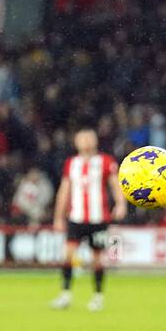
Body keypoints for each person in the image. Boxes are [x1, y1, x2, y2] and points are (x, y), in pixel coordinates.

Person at [51, 127, 126, 311]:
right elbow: (64, 190)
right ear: (76, 142)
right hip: (76, 218)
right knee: (67, 255)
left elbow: (115, 184)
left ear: (95, 141)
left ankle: (98, 297)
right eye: (81, 138)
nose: (85, 141)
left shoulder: (106, 162)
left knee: (97, 259)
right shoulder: (71, 163)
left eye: (88, 138)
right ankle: (65, 295)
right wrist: (58, 217)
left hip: (98, 219)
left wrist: (121, 203)